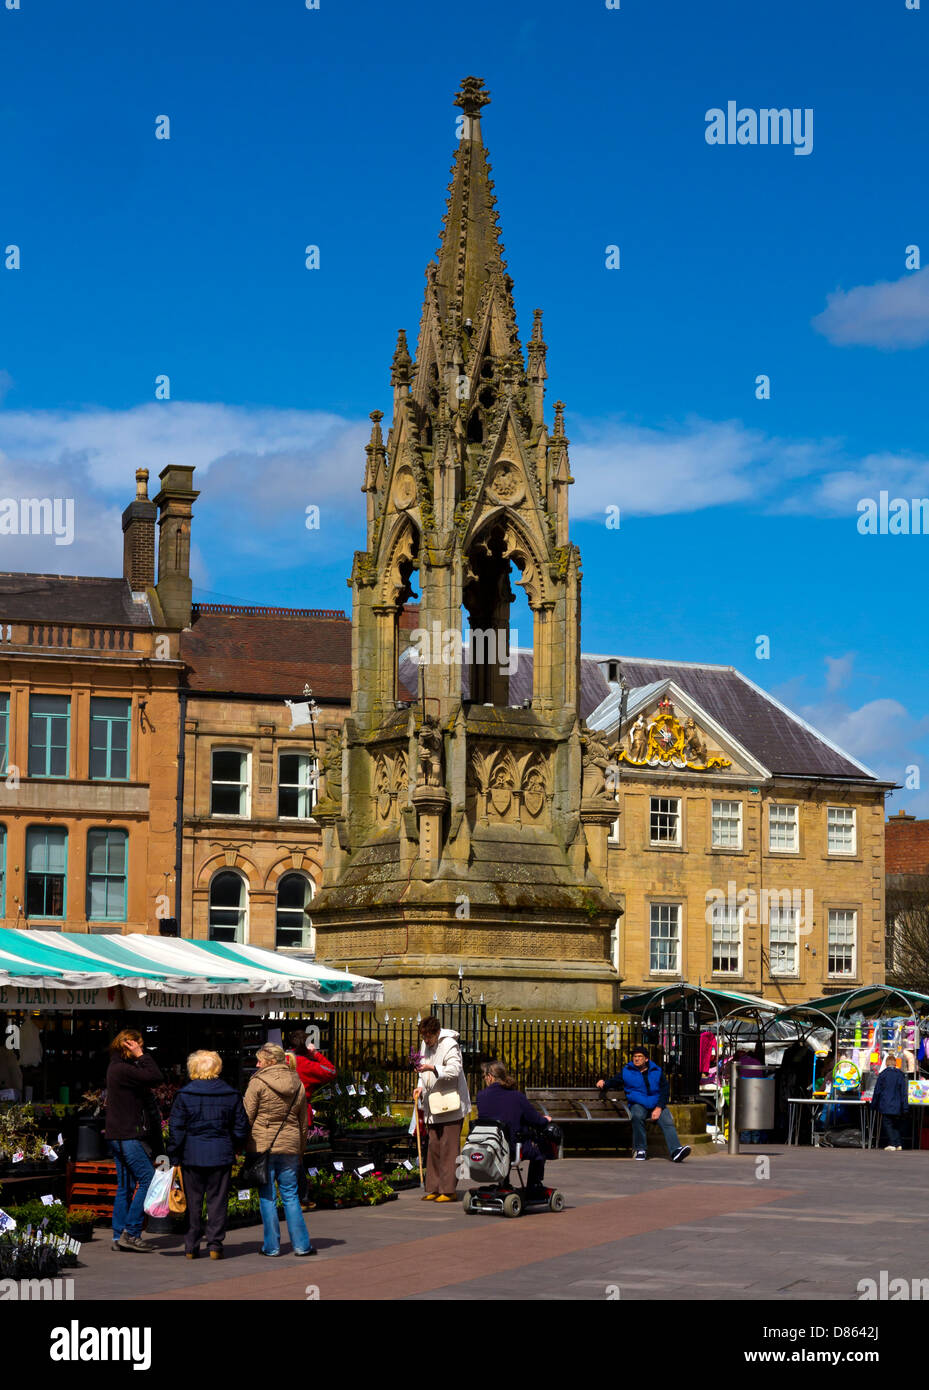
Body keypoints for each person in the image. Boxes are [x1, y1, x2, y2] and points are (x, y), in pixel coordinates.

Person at [168, 1050, 249, 1260]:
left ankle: (191, 1245)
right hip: (220, 1152)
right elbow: (241, 1128)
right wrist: (233, 1145)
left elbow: (176, 1128)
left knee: (193, 1201)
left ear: (193, 1068)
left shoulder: (185, 1095)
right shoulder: (231, 1094)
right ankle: (215, 1244)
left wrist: (173, 1154)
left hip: (192, 1154)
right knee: (217, 1201)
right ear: (217, 1068)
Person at [243, 1042, 314, 1256]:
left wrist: (243, 1144)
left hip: (263, 1144)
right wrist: (300, 1148)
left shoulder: (257, 1082)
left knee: (267, 1196)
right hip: (290, 1144)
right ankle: (301, 1245)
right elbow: (303, 1122)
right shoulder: (297, 1082)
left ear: (270, 1061)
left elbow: (247, 1115)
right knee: (291, 1195)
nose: (257, 1064)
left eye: (260, 1060)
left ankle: (272, 1246)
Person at [104, 1028, 163, 1253]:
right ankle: (132, 1232)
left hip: (116, 1135)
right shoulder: (123, 1069)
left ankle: (119, 1235)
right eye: (138, 1044)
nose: (142, 1047)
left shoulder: (115, 1067)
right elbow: (156, 1077)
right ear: (128, 1045)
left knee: (125, 1186)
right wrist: (141, 1055)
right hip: (128, 1135)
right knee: (148, 1178)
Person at [412, 1016, 471, 1202]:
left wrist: (432, 1067)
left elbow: (454, 1070)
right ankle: (434, 1187)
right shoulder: (425, 1045)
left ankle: (448, 1189)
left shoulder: (450, 1045)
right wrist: (420, 1085)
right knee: (434, 1145)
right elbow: (422, 1069)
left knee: (449, 1146)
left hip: (450, 1103)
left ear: (437, 1033)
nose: (426, 1041)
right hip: (433, 1103)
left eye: (428, 1037)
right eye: (423, 1037)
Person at [598, 1046, 690, 1162]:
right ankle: (640, 1149)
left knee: (667, 1120)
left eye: (639, 1056)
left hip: (656, 1104)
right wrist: (604, 1083)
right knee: (637, 1116)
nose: (636, 1059)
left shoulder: (657, 1071)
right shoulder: (627, 1071)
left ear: (646, 1059)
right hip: (638, 1103)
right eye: (635, 1057)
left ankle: (676, 1151)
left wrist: (659, 1107)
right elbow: (614, 1081)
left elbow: (665, 1090)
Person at [476, 1061, 551, 1197]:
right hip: (512, 1147)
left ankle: (504, 1183)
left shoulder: (481, 1097)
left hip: (488, 1144)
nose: (484, 1079)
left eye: (484, 1076)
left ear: (490, 1077)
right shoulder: (517, 1097)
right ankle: (534, 1185)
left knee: (504, 1138)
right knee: (540, 1146)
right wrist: (546, 1120)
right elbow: (536, 1120)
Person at [287, 1030, 337, 1129]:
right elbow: (332, 1071)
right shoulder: (306, 1064)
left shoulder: (280, 1060)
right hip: (300, 1113)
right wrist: (315, 1053)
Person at [871, 1054, 909, 1150]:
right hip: (897, 1105)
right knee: (895, 1125)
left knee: (887, 1124)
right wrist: (905, 1107)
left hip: (886, 1103)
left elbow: (877, 1091)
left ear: (886, 1063)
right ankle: (898, 1143)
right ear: (895, 1063)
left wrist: (873, 1104)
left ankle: (892, 1144)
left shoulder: (883, 1074)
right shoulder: (900, 1075)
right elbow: (903, 1092)